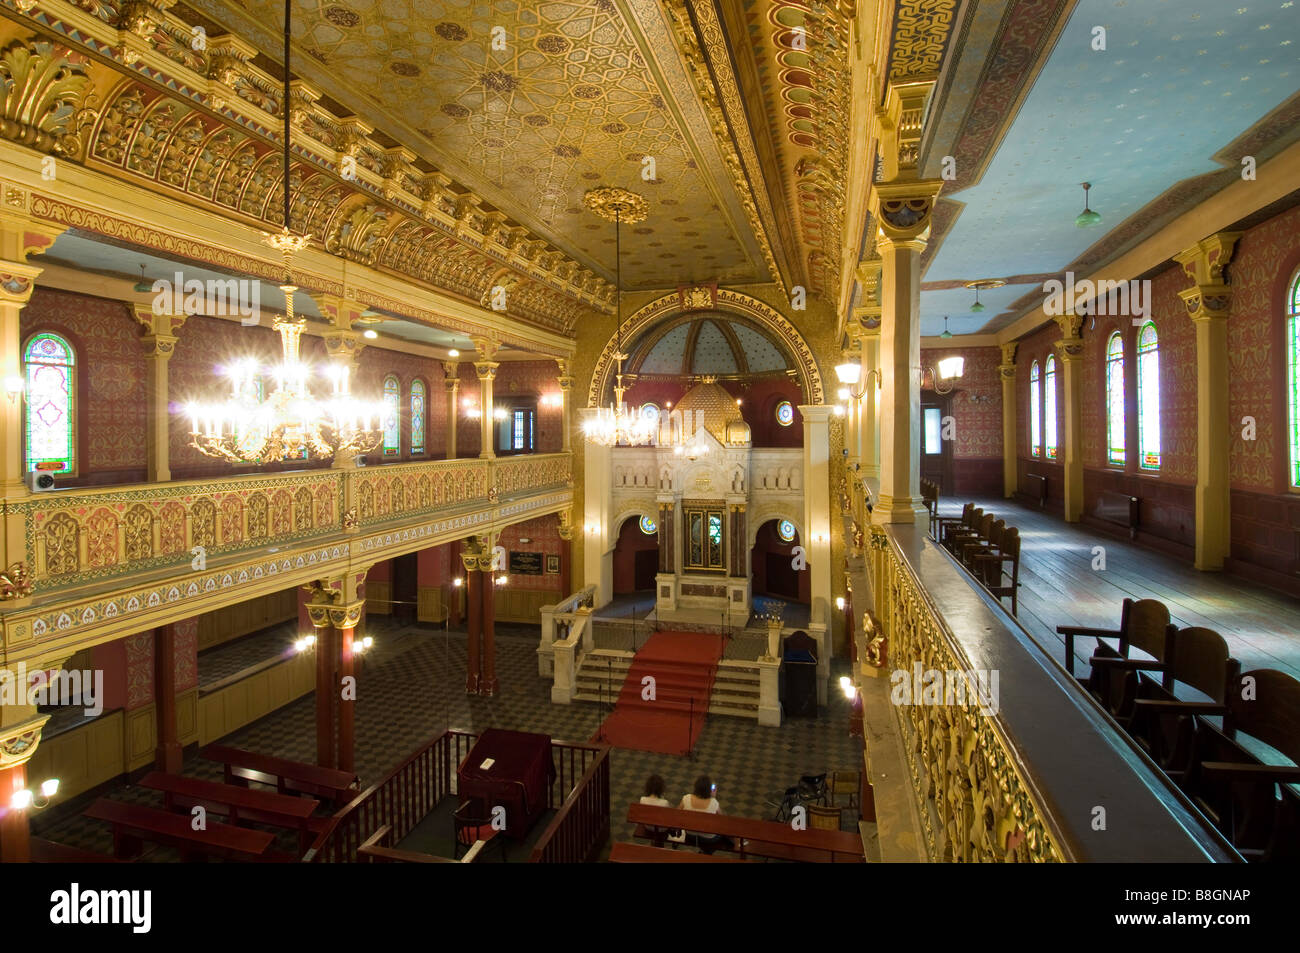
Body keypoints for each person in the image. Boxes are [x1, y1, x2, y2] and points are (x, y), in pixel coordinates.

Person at [679, 775, 729, 854]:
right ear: (709, 790)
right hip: (709, 838)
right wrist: (713, 797)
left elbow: (677, 814)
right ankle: (707, 853)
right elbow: (722, 819)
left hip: (690, 835)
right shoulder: (714, 803)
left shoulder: (686, 798)